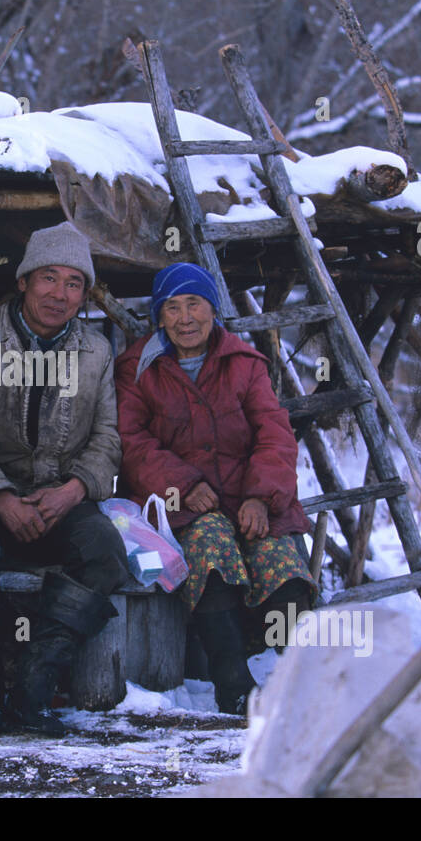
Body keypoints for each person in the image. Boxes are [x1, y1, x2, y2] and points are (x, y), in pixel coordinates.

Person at [0, 221, 128, 737]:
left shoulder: (96, 352)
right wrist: (0, 497)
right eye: (48, 278)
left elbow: (107, 438)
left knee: (103, 550)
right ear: (24, 281)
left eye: (74, 283)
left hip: (55, 493)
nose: (59, 294)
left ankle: (36, 680)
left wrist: (74, 490)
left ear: (85, 294)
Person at [114, 263, 318, 715]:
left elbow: (274, 434)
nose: (185, 318)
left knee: (282, 566)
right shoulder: (137, 369)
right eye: (172, 307)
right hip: (179, 506)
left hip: (248, 500)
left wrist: (260, 498)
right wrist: (182, 486)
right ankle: (232, 680)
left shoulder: (244, 365)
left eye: (195, 304)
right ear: (159, 316)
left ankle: (301, 681)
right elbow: (131, 442)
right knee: (209, 547)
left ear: (214, 309)